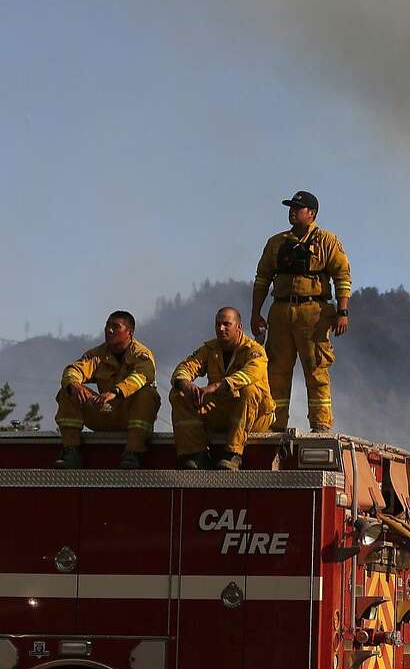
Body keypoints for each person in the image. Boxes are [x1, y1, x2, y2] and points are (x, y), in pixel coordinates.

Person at [250, 190, 351, 432]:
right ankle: (274, 424)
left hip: (314, 313)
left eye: (298, 208)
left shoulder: (327, 241)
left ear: (312, 213)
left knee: (316, 369)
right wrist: (256, 313)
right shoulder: (276, 243)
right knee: (276, 370)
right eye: (290, 208)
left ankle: (321, 425)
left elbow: (342, 276)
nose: (292, 211)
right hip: (281, 311)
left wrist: (343, 312)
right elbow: (262, 278)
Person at [170, 307, 274, 470]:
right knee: (178, 393)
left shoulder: (254, 350)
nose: (221, 328)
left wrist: (217, 386)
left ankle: (233, 454)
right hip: (223, 413)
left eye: (226, 324)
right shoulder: (209, 349)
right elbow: (186, 367)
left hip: (255, 417)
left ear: (239, 327)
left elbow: (250, 374)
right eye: (217, 324)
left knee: (249, 390)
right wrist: (185, 384)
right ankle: (196, 454)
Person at [54, 311, 160, 469]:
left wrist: (116, 392)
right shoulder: (96, 355)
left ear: (129, 333)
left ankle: (133, 452)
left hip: (129, 415)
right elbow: (74, 370)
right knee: (68, 391)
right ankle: (71, 451)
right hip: (103, 412)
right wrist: (73, 384)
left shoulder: (142, 355)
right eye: (107, 326)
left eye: (115, 327)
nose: (109, 330)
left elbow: (141, 376)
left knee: (148, 394)